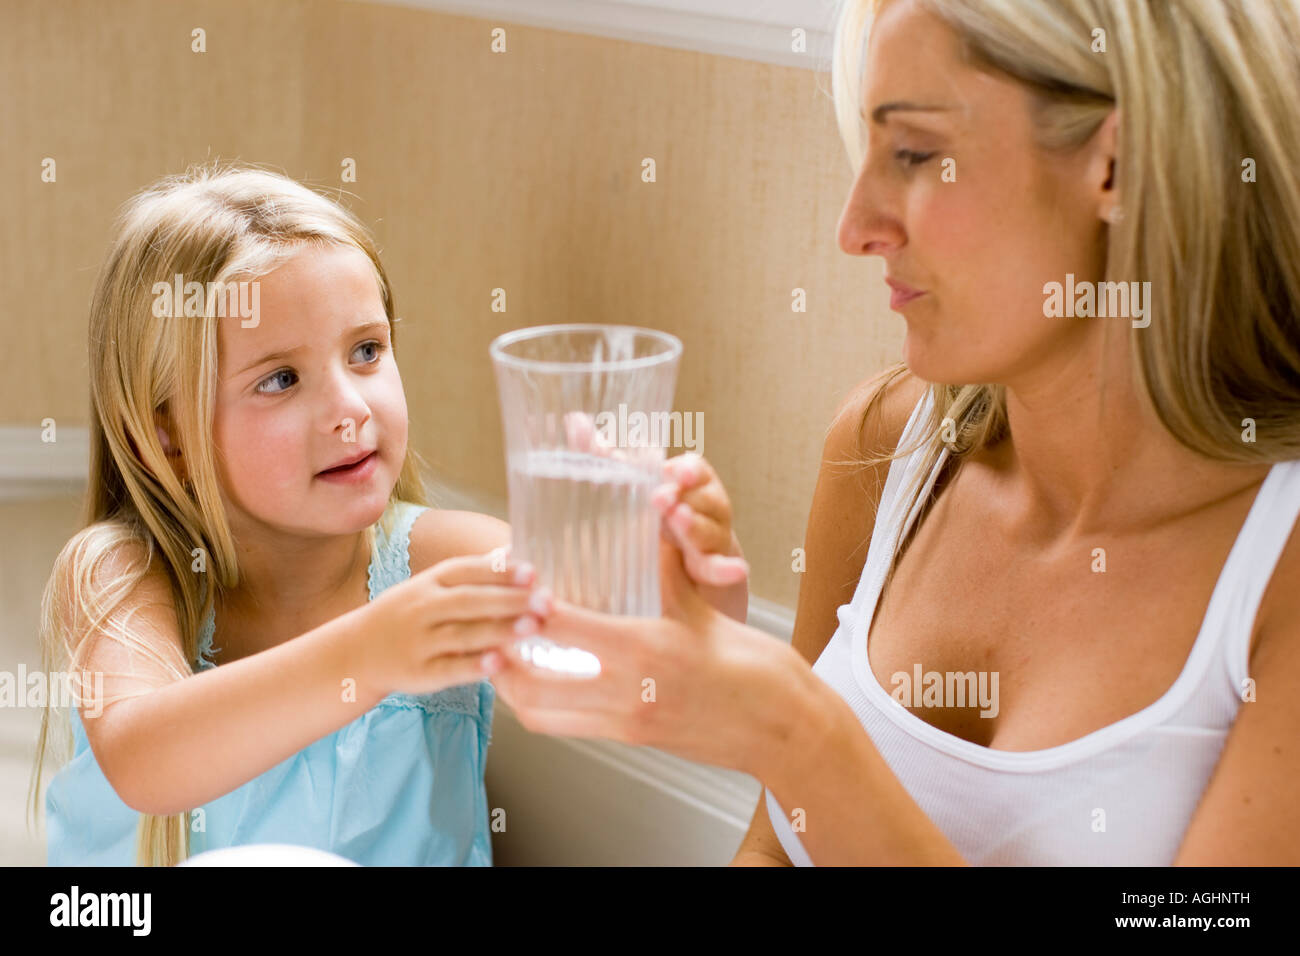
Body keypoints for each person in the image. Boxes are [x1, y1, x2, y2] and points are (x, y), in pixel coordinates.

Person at [486, 0, 1300, 865]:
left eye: (915, 153)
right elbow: (771, 852)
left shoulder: (1275, 567)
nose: (855, 228)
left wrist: (795, 734)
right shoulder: (890, 450)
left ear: (1117, 167)